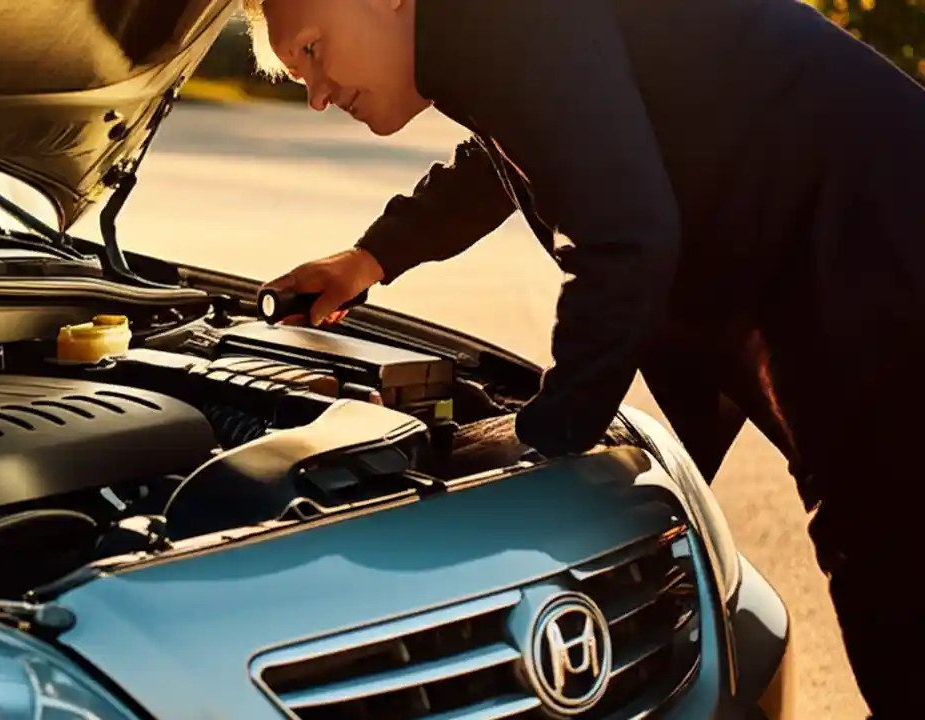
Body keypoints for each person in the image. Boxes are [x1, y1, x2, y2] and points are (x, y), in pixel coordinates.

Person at [244, 0, 925, 716]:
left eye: (314, 51)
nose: (317, 95)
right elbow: (527, 145)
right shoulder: (492, 34)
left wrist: (546, 435)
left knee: (903, 607)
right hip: (852, 273)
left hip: (883, 277)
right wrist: (372, 257)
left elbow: (629, 241)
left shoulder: (504, 21)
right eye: (298, 76)